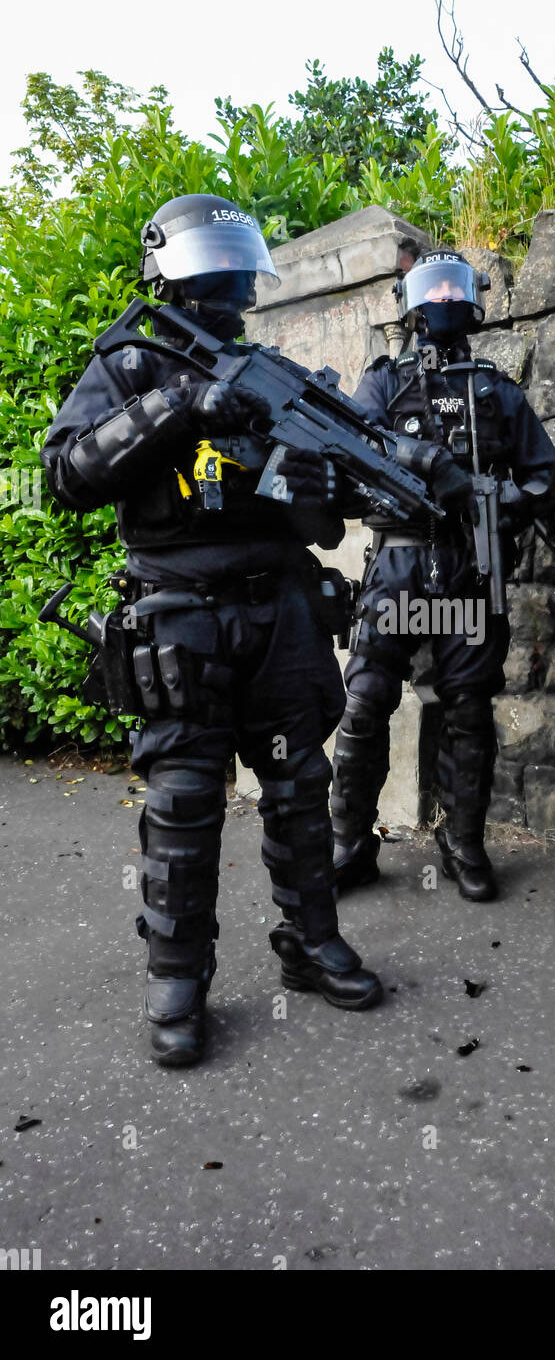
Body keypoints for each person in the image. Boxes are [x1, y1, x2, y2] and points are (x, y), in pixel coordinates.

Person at [40, 193, 382, 1068]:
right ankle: (178, 980)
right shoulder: (127, 362)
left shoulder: (265, 369)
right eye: (214, 266)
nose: (230, 283)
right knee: (185, 804)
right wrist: (180, 408)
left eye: (239, 268)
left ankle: (310, 944)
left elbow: (321, 516)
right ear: (172, 265)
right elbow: (69, 477)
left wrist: (325, 479)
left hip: (278, 610)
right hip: (180, 615)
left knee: (301, 791)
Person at [330, 248, 555, 903]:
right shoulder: (383, 382)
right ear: (409, 301)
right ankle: (349, 841)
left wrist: (488, 499)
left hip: (468, 561)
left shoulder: (495, 389)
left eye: (453, 287)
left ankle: (462, 842)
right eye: (430, 287)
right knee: (367, 698)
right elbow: (347, 456)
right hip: (399, 560)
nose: (443, 299)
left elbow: (542, 479)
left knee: (467, 707)